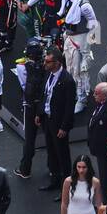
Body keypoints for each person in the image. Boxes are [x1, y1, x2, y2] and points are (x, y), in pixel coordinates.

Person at [39, 47, 77, 191]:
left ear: (57, 63)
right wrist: (39, 113)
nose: (44, 64)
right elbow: (45, 94)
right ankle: (54, 180)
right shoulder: (48, 74)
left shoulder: (67, 80)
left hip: (59, 123)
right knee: (51, 151)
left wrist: (64, 127)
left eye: (48, 62)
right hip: (48, 120)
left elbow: (69, 106)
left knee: (62, 154)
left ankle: (66, 186)